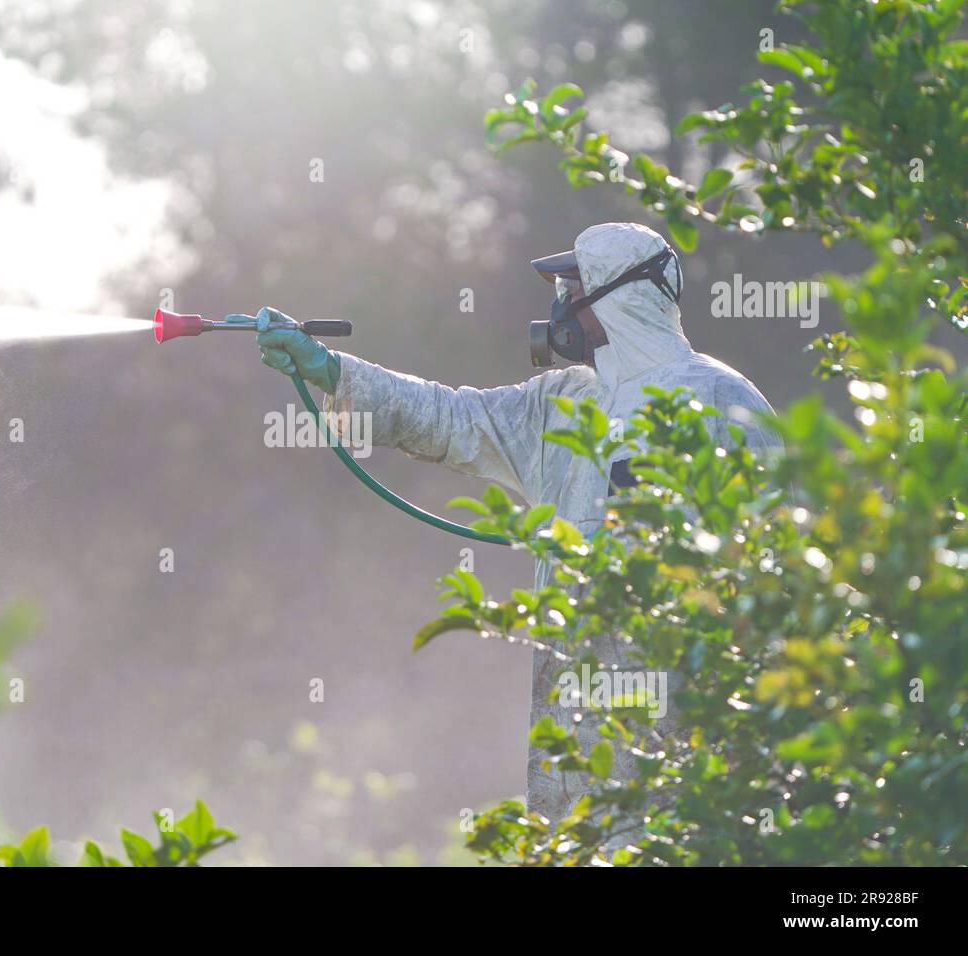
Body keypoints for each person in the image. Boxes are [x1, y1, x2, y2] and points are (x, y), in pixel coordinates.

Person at [256, 221, 779, 822]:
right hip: (573, 744)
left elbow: (780, 566)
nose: (560, 306)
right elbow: (452, 417)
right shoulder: (562, 403)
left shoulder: (720, 401)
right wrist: (330, 371)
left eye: (571, 288)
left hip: (690, 738)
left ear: (615, 295)